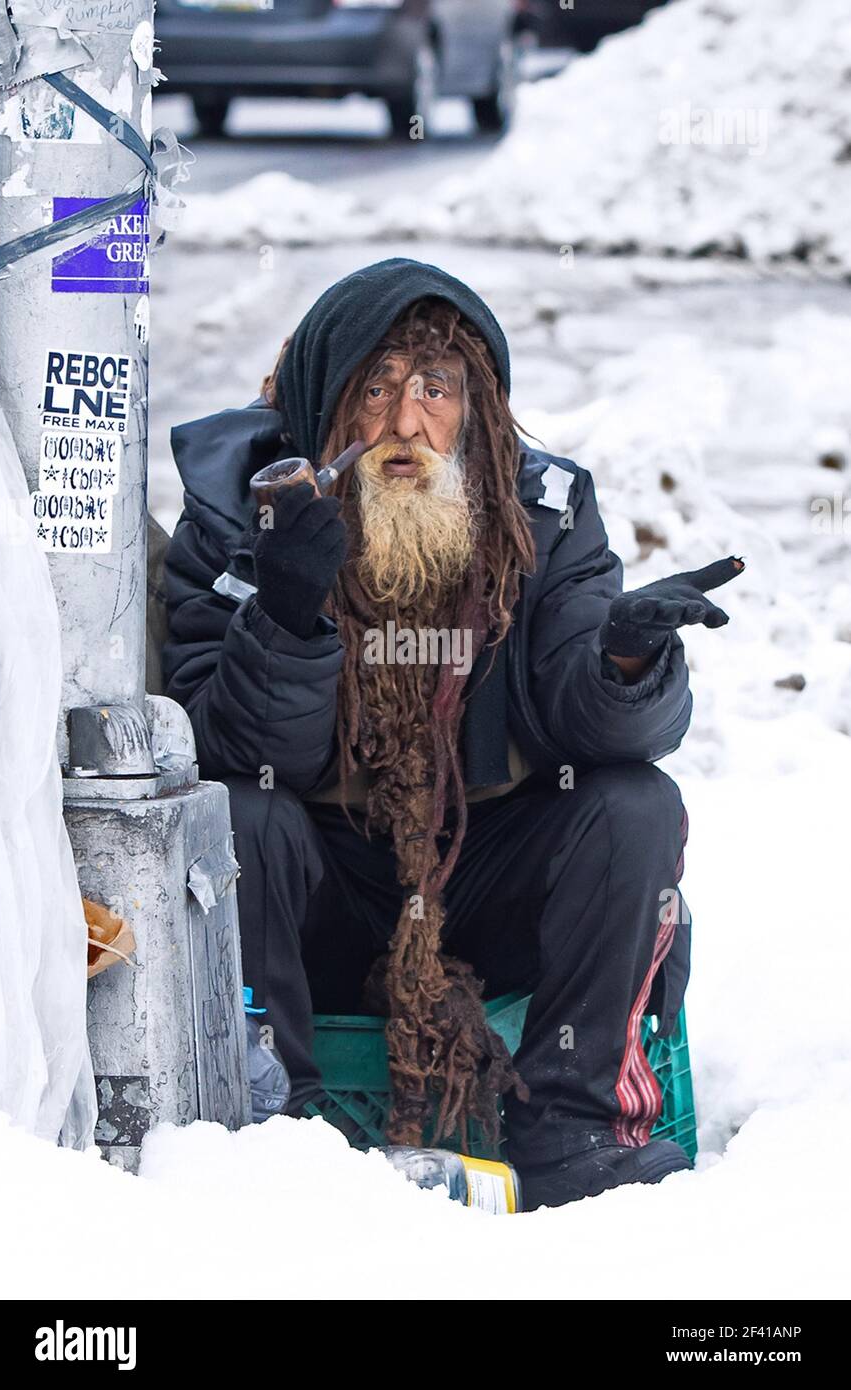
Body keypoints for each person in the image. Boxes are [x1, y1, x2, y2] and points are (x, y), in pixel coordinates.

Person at [162, 258, 741, 1209]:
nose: (405, 423)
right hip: (321, 897)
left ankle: (573, 1131)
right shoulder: (237, 518)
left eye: (435, 389)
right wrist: (287, 609)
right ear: (324, 408)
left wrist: (626, 660)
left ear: (476, 411)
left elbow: (587, 721)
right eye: (376, 389)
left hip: (485, 880)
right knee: (239, 813)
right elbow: (235, 753)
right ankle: (276, 1133)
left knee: (632, 805)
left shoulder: (543, 517)